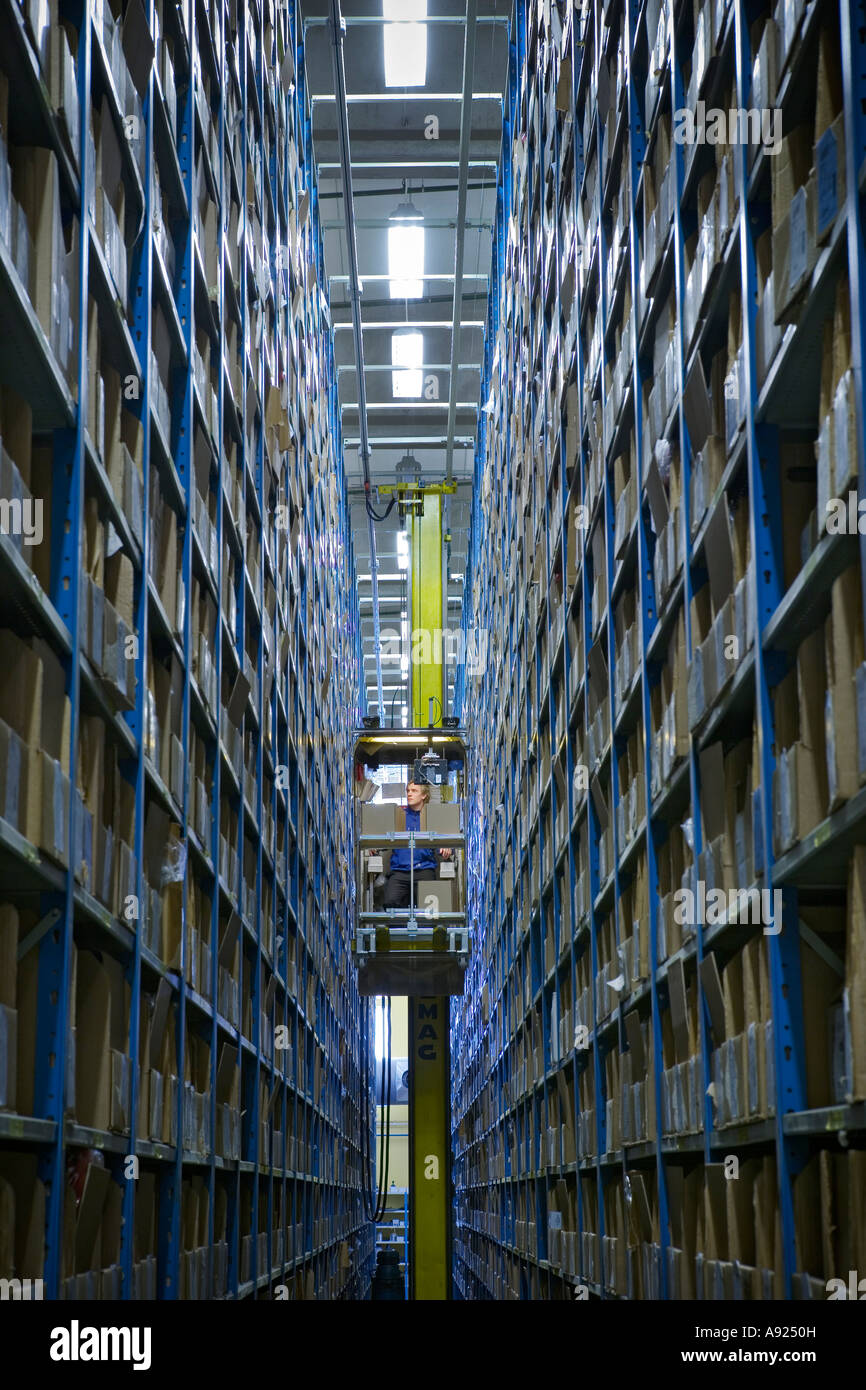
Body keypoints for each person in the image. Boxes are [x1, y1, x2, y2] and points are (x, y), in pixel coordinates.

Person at [381, 780, 452, 910]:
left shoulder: (431, 817)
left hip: (424, 870)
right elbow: (382, 837)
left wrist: (446, 847)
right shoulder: (399, 815)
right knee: (390, 906)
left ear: (424, 795)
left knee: (430, 913)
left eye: (414, 791)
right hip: (399, 871)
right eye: (408, 791)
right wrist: (374, 847)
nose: (409, 794)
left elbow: (444, 838)